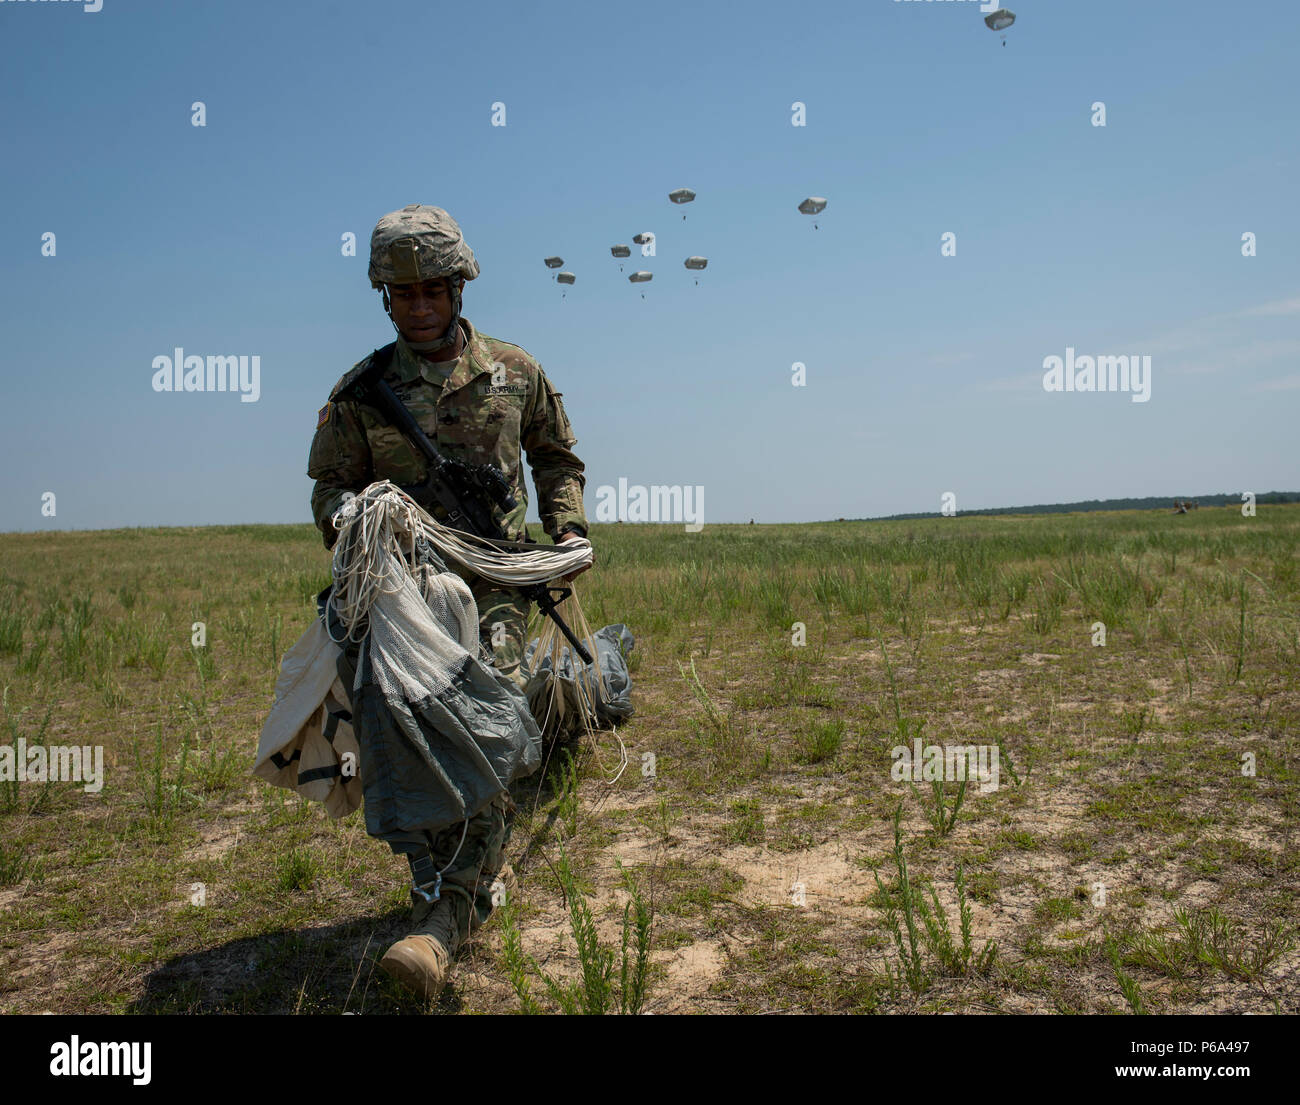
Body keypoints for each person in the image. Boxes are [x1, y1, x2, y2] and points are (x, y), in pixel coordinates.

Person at [306, 203, 591, 1000]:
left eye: (434, 289)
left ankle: (448, 915)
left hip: (496, 580)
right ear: (384, 299)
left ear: (459, 287)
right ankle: (432, 860)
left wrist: (566, 535)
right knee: (396, 727)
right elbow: (329, 486)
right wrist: (355, 518)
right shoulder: (361, 393)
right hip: (399, 592)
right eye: (403, 294)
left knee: (486, 717)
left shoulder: (515, 371)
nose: (420, 306)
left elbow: (556, 457)